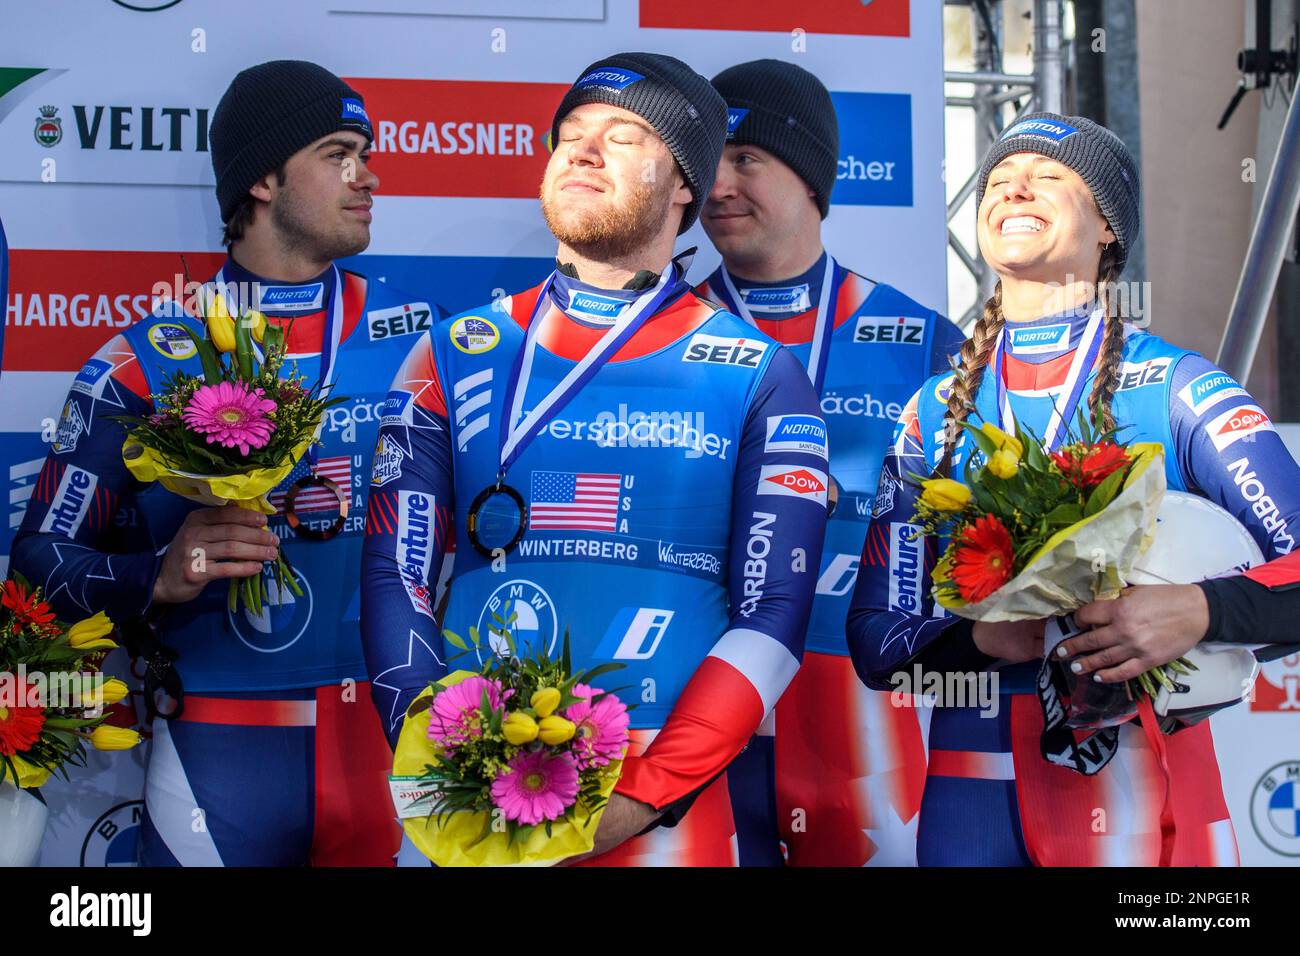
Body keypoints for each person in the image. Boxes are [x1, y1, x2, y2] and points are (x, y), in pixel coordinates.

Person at [360, 52, 828, 866]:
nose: (582, 151)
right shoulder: (450, 352)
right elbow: (392, 574)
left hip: (665, 816)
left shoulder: (760, 371)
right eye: (570, 135)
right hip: (470, 796)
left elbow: (774, 615)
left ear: (687, 184)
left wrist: (647, 793)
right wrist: (442, 761)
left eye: (623, 136)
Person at [13, 60, 438, 866]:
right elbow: (36, 564)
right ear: (265, 180)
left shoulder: (426, 340)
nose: (369, 176)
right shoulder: (140, 362)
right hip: (222, 745)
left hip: (392, 741)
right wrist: (156, 575)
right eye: (340, 152)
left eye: (368, 152)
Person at [846, 111, 1300, 866]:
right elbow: (876, 642)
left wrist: (1196, 610)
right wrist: (986, 639)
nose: (1015, 188)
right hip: (974, 796)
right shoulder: (932, 414)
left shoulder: (1176, 389)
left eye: (1050, 177)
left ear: (1108, 231)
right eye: (996, 180)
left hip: (1140, 788)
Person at [695, 59, 964, 867]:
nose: (718, 184)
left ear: (812, 175)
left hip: (863, 704)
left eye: (747, 159)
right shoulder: (658, 329)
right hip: (698, 692)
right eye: (708, 160)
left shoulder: (923, 341)